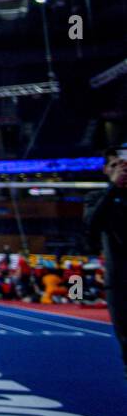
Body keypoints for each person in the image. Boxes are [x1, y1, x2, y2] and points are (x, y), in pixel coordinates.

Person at [86, 147, 127, 379]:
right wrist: (113, 188)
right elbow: (91, 226)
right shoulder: (97, 198)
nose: (120, 171)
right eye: (114, 165)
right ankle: (78, 298)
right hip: (117, 277)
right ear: (105, 170)